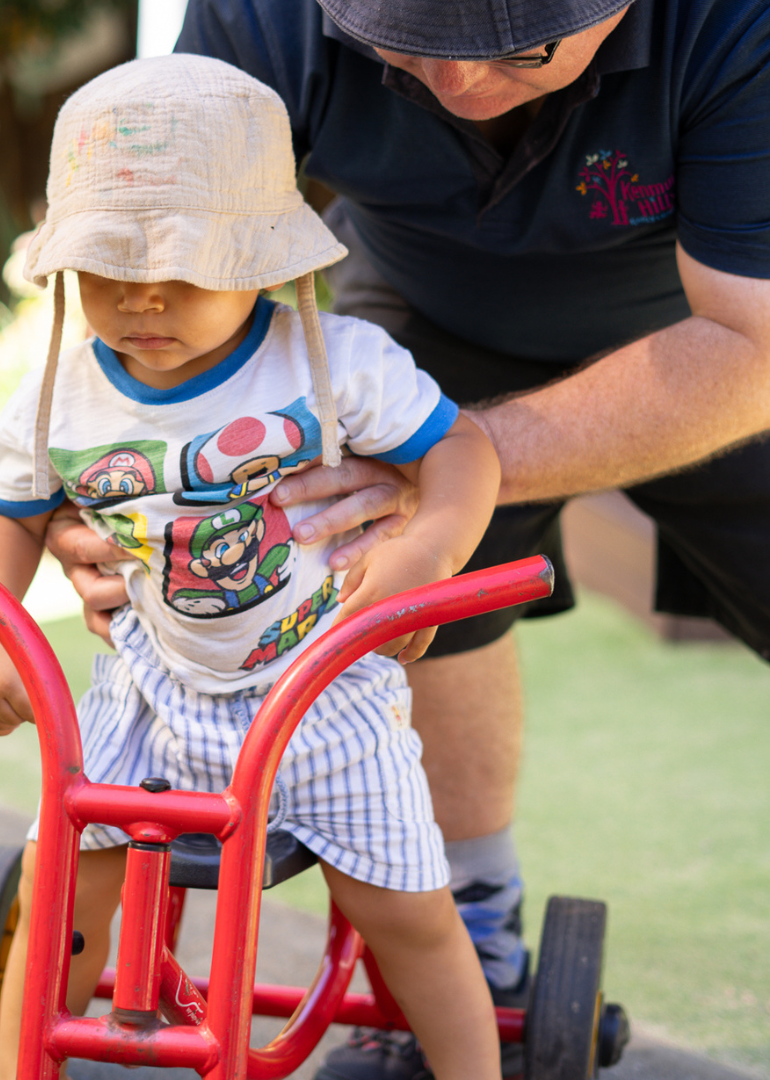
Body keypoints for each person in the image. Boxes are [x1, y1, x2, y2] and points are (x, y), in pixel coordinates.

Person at [41, 1, 770, 1078]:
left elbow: (753, 344)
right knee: (346, 558)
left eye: (521, 51)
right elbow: (134, 236)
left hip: (709, 337)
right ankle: (468, 934)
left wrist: (454, 466)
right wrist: (101, 489)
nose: (462, 87)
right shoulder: (265, 14)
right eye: (409, 50)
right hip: (421, 317)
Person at [0, 54, 505, 1080]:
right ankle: (22, 1062)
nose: (142, 296)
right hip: (155, 681)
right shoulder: (60, 392)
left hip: (321, 682)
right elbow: (9, 512)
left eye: (182, 266)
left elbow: (461, 448)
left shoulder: (328, 362)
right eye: (109, 269)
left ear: (265, 261)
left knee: (408, 912)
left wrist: (431, 549)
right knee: (59, 886)